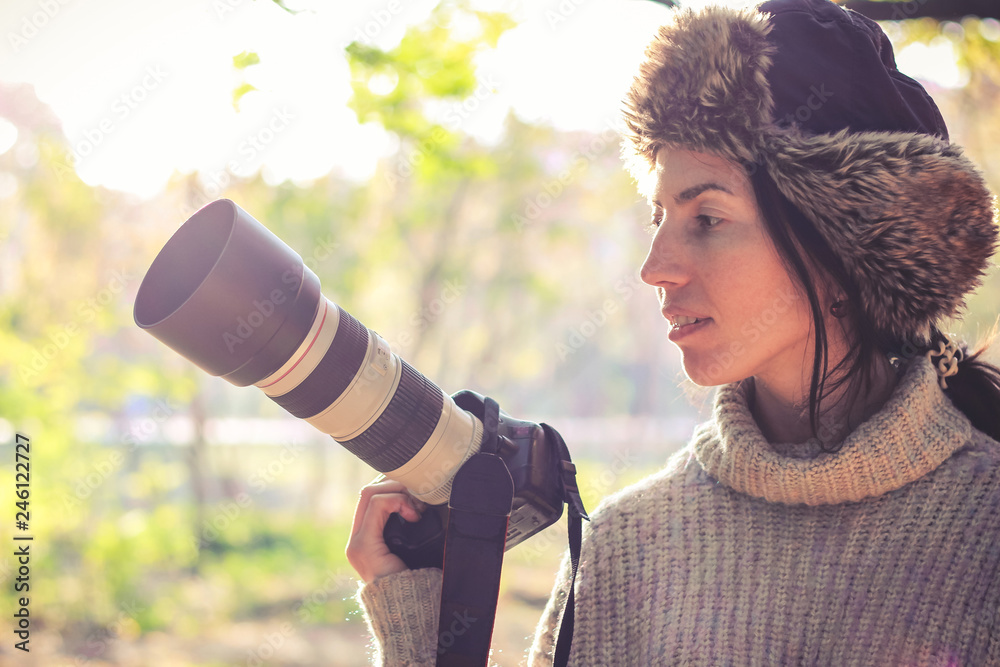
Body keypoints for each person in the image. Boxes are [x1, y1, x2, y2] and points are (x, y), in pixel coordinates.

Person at [346, 0, 1000, 664]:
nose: (655, 268)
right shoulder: (623, 549)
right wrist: (423, 635)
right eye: (659, 214)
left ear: (846, 241)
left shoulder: (986, 532)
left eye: (707, 218)